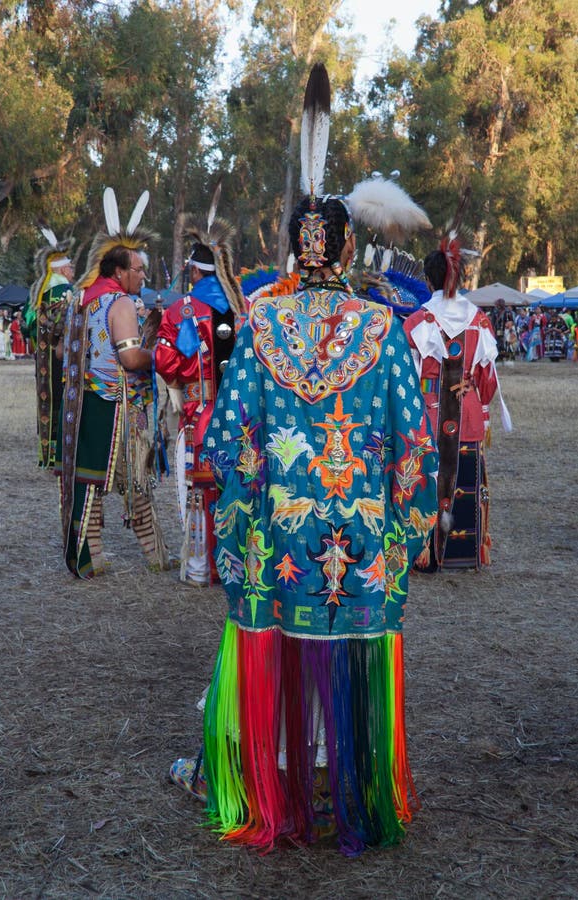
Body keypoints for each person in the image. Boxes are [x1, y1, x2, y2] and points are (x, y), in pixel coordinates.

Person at [169, 64, 438, 856]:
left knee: (278, 628)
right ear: (346, 246)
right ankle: (342, 772)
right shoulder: (381, 329)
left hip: (279, 539)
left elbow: (223, 439)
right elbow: (413, 443)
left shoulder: (260, 327)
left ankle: (275, 767)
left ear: (297, 246)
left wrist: (233, 496)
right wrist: (405, 522)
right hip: (356, 536)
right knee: (347, 634)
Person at [56, 188, 169, 579]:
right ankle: (156, 555)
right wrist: (160, 354)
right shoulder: (119, 303)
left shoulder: (81, 300)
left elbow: (61, 352)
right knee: (135, 479)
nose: (143, 275)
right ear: (119, 271)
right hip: (117, 407)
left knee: (88, 480)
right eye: (138, 269)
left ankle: (90, 557)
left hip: (82, 406)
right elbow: (131, 358)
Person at [403, 236, 512, 572]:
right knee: (465, 477)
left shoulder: (416, 322)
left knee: (429, 476)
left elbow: (406, 378)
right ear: (459, 279)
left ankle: (426, 552)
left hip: (428, 413)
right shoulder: (479, 320)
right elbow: (487, 381)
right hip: (467, 413)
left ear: (428, 280)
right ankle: (463, 552)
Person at [155, 210, 246, 586]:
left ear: (194, 271)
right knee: (235, 487)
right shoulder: (242, 309)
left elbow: (165, 361)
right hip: (239, 416)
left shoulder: (182, 311)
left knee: (201, 488)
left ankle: (200, 567)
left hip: (199, 415)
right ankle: (236, 566)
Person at [27, 230, 75, 468]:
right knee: (62, 400)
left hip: (43, 358)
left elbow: (28, 325)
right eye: (71, 267)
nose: (73, 271)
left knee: (47, 402)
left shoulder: (40, 291)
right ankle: (59, 456)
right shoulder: (65, 291)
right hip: (60, 356)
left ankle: (46, 454)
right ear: (62, 269)